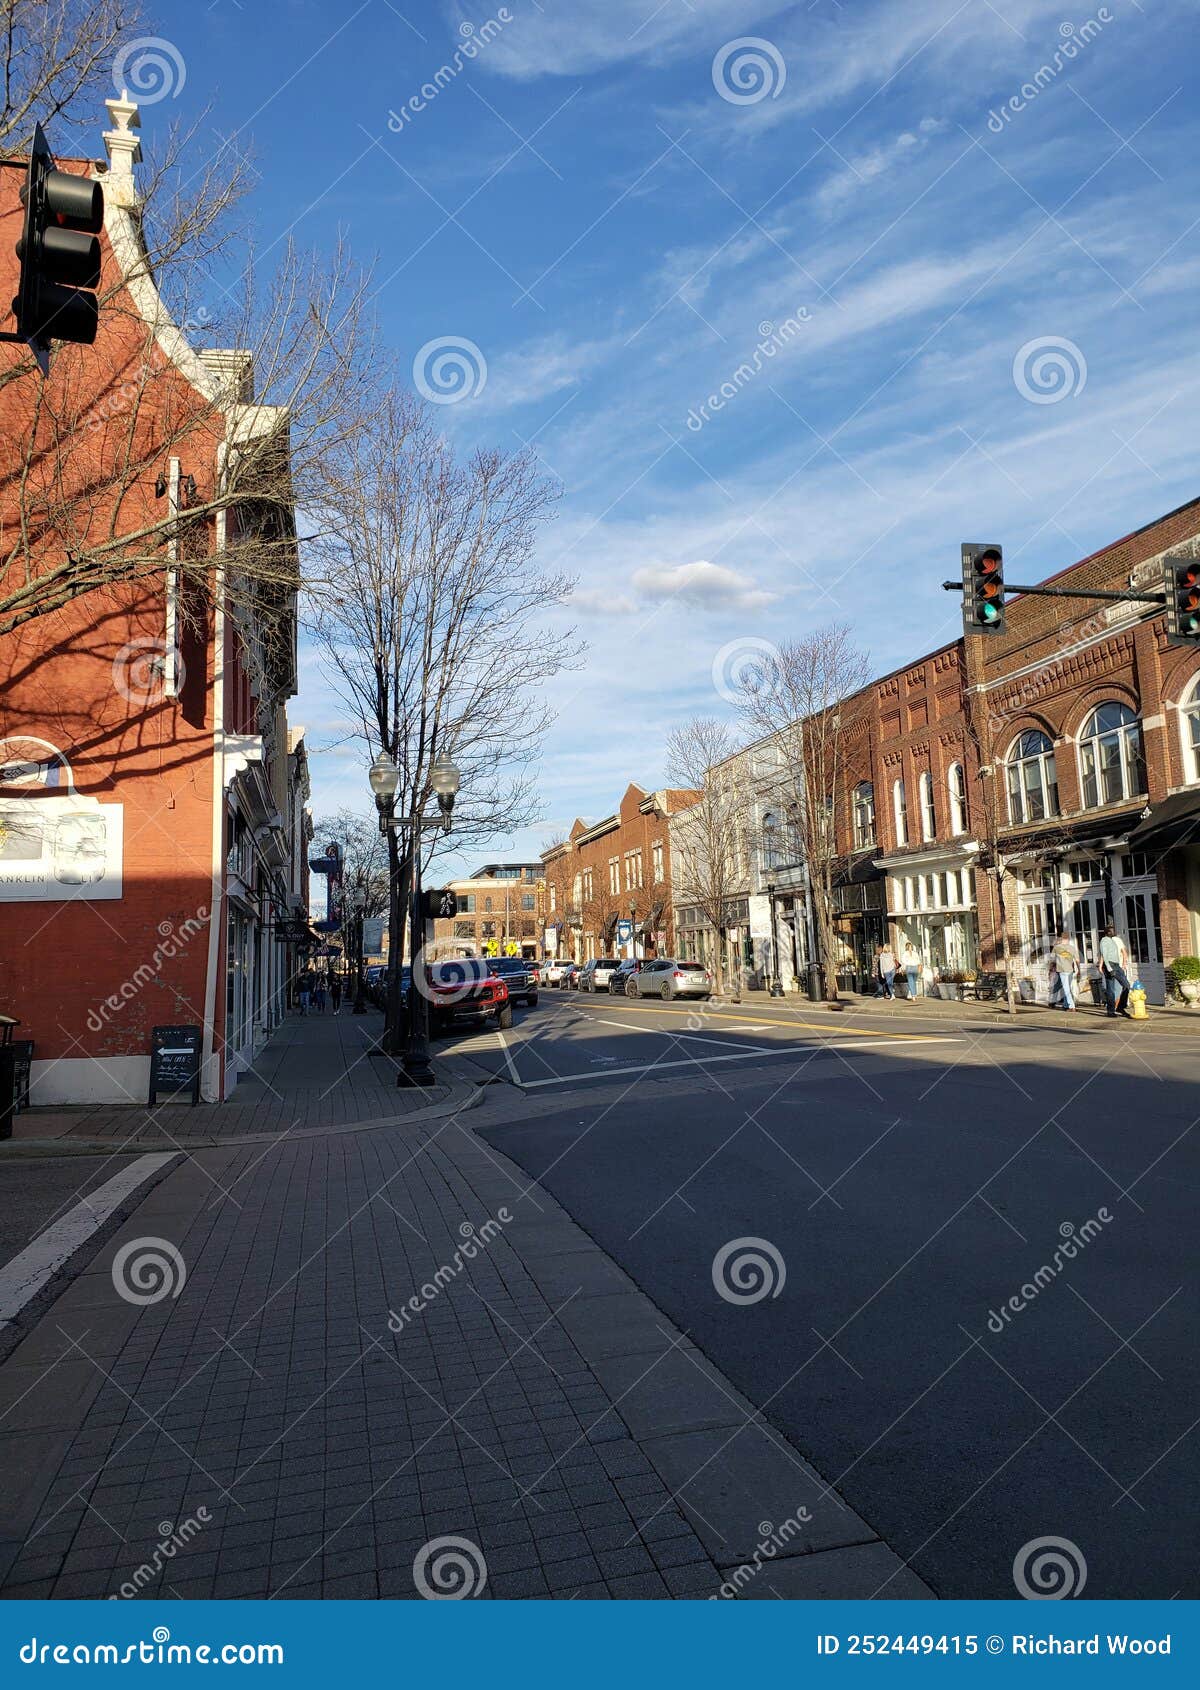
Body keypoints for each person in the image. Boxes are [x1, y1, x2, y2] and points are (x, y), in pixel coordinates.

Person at [1098, 923, 1131, 1018]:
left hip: (1116, 965)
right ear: (1108, 932)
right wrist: (1108, 968)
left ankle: (1120, 1007)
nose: (1115, 932)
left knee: (1126, 985)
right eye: (1113, 930)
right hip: (1111, 966)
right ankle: (1111, 1011)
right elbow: (1104, 954)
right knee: (1111, 989)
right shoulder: (1104, 941)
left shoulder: (1111, 940)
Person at [1051, 927, 1080, 1012]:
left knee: (1066, 988)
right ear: (1068, 939)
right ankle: (1065, 1004)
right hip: (1070, 970)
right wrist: (1079, 970)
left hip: (1062, 970)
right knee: (1067, 988)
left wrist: (1050, 969)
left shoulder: (1056, 948)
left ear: (1061, 938)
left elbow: (1052, 959)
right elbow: (1077, 960)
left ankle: (1071, 1006)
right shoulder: (1072, 948)